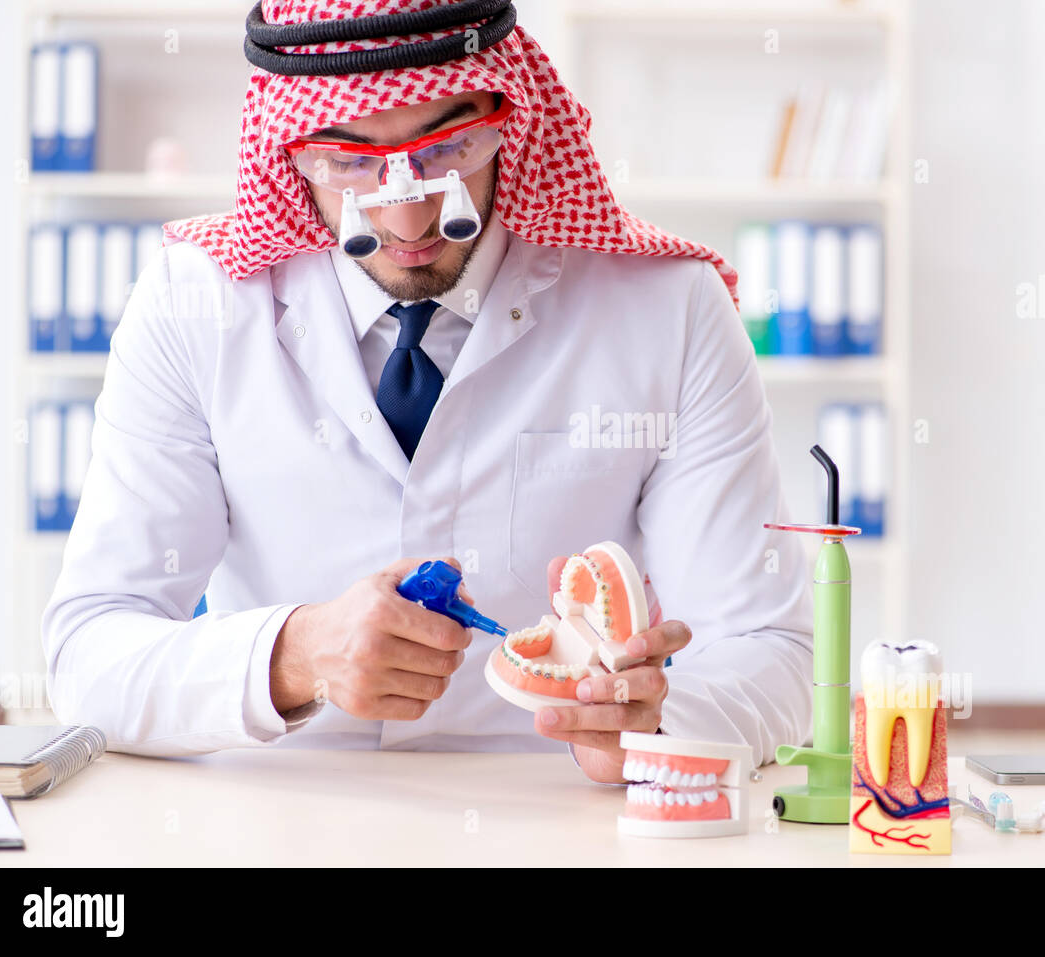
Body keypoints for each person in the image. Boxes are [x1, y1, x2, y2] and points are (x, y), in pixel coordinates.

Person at [41, 0, 812, 784]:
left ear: (506, 114)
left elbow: (771, 656)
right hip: (280, 822)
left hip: (559, 823)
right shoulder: (194, 304)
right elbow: (90, 652)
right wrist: (296, 655)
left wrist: (657, 723)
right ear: (291, 148)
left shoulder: (666, 309)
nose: (408, 216)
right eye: (350, 162)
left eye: (451, 148)